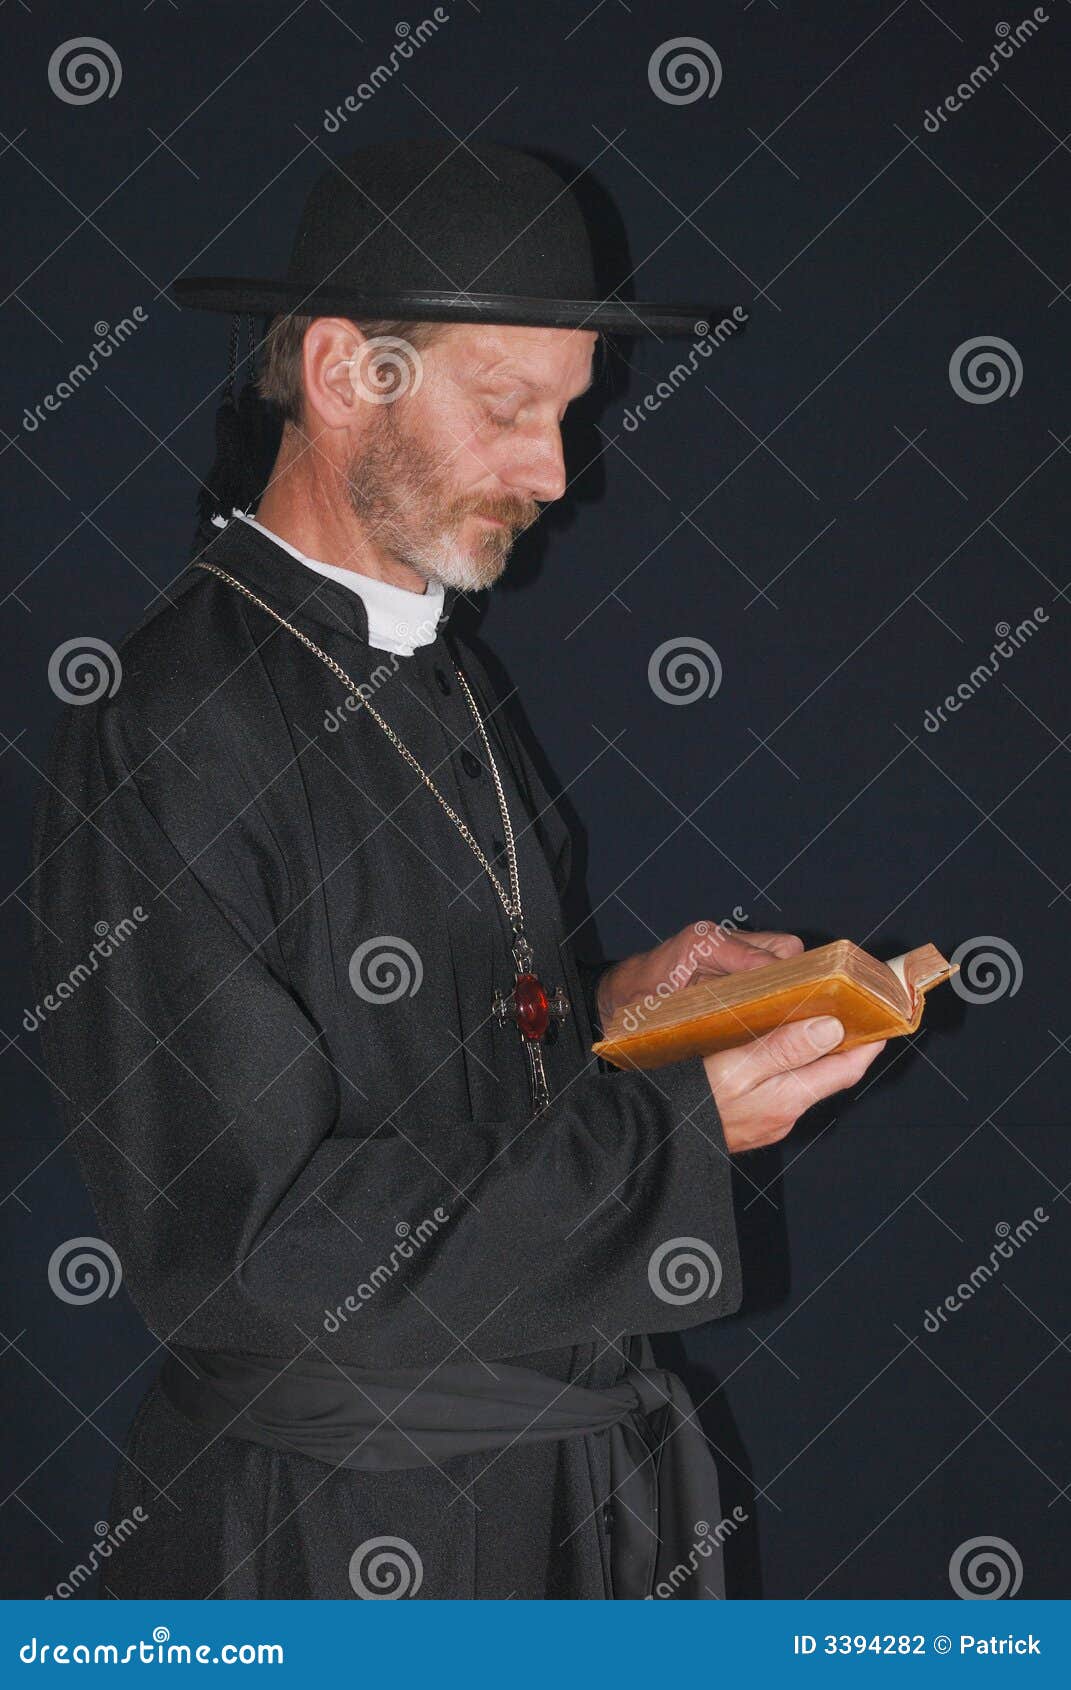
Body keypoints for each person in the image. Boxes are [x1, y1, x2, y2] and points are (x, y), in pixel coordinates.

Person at [28, 139, 885, 1600]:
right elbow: (251, 1258)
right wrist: (678, 1129)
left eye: (566, 415)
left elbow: (466, 1061)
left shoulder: (445, 679)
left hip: (551, 1493)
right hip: (340, 1532)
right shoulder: (173, 726)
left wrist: (631, 1005)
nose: (556, 471)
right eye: (510, 410)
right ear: (343, 368)